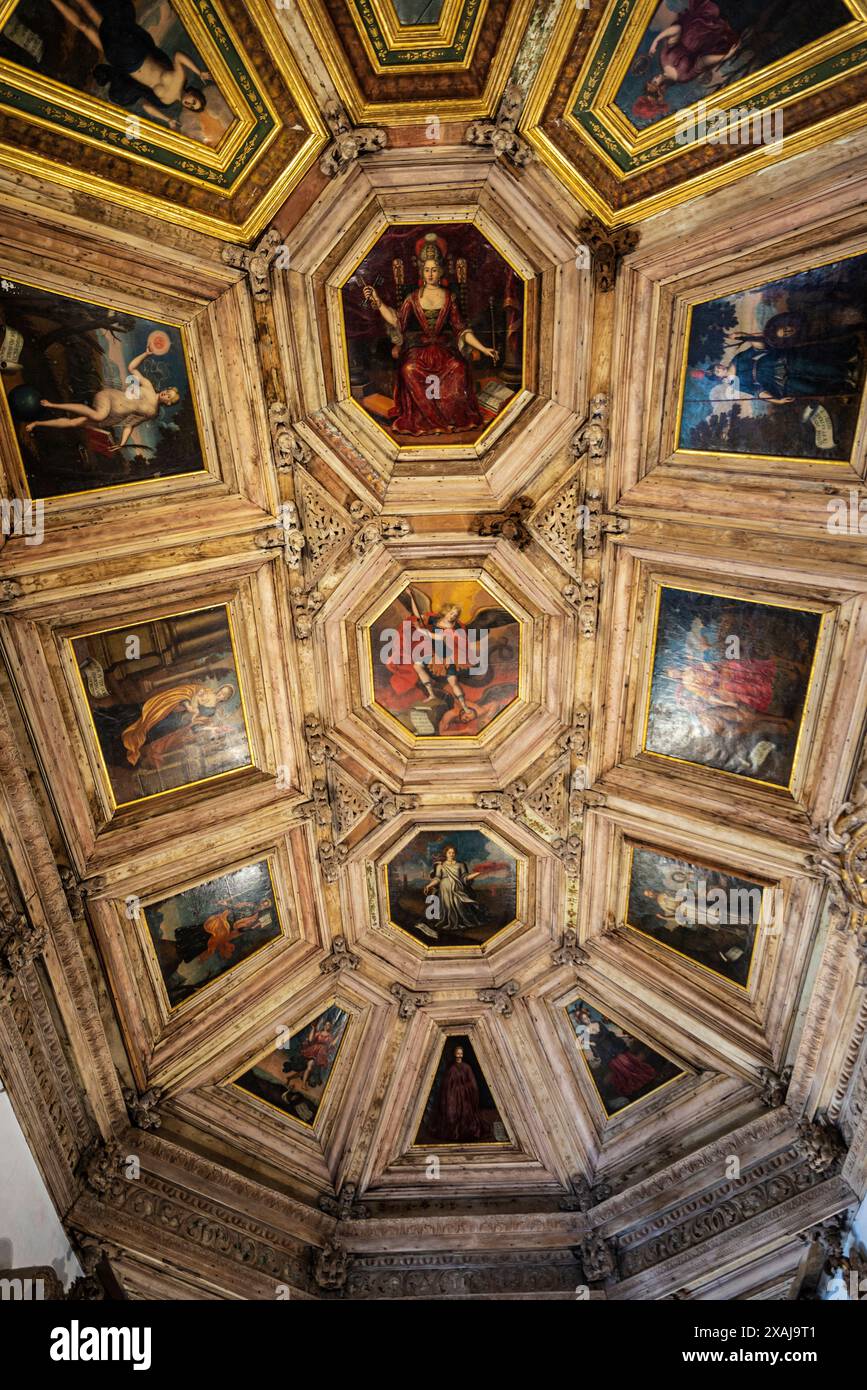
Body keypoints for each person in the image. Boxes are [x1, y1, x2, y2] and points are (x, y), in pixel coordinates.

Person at [363, 232, 498, 435]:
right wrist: (378, 301)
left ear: (441, 272)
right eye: (427, 270)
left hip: (444, 349)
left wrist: (483, 348)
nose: (430, 274)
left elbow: (461, 329)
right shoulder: (413, 298)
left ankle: (450, 417)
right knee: (409, 369)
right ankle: (427, 419)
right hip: (419, 349)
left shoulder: (449, 297)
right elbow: (397, 321)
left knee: (458, 368)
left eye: (434, 270)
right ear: (422, 272)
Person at [48, 0, 209, 125]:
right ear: (194, 93)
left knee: (87, 27)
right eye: (194, 101)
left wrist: (167, 120)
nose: (189, 103)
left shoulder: (167, 103)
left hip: (122, 64)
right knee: (94, 21)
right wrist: (198, 71)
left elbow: (146, 105)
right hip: (132, 53)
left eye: (191, 107)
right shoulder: (180, 79)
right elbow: (179, 56)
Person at [25, 348, 179, 451]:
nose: (165, 394)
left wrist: (122, 444)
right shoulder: (148, 386)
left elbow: (129, 425)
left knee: (74, 423)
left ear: (168, 403)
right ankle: (53, 404)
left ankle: (36, 424)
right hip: (108, 398)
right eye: (167, 391)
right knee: (99, 415)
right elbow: (132, 368)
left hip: (111, 416)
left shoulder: (152, 412)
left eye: (169, 396)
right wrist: (145, 354)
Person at [633, 1, 740, 121]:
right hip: (710, 38)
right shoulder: (683, 77)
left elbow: (677, 31)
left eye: (652, 80)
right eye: (655, 82)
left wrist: (656, 40)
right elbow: (703, 61)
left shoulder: (664, 59)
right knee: (735, 13)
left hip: (695, 23)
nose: (655, 77)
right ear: (661, 89)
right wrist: (724, 57)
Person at [119, 682, 235, 768]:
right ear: (219, 689)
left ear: (225, 699)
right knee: (149, 722)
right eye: (222, 691)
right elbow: (187, 693)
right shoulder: (205, 690)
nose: (221, 694)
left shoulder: (211, 711)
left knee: (154, 734)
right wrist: (187, 705)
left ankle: (128, 750)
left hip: (177, 725)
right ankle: (126, 736)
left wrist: (209, 727)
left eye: (224, 695)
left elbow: (197, 724)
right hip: (173, 711)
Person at [417, 846, 483, 941]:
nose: (451, 854)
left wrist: (475, 874)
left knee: (459, 905)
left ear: (455, 854)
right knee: (447, 907)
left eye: (453, 852)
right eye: (449, 852)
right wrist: (429, 886)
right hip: (444, 889)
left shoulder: (460, 865)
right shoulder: (441, 866)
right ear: (446, 853)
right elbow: (437, 879)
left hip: (457, 888)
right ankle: (448, 924)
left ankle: (459, 923)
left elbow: (464, 878)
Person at [434, 1045, 482, 1143]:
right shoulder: (451, 1069)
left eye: (461, 1053)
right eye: (457, 1053)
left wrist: (463, 1088)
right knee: (452, 1113)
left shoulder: (467, 1067)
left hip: (466, 1097)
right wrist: (455, 1091)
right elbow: (447, 1086)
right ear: (455, 1054)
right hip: (454, 1098)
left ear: (463, 1054)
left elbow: (473, 1084)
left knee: (467, 1113)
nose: (459, 1055)